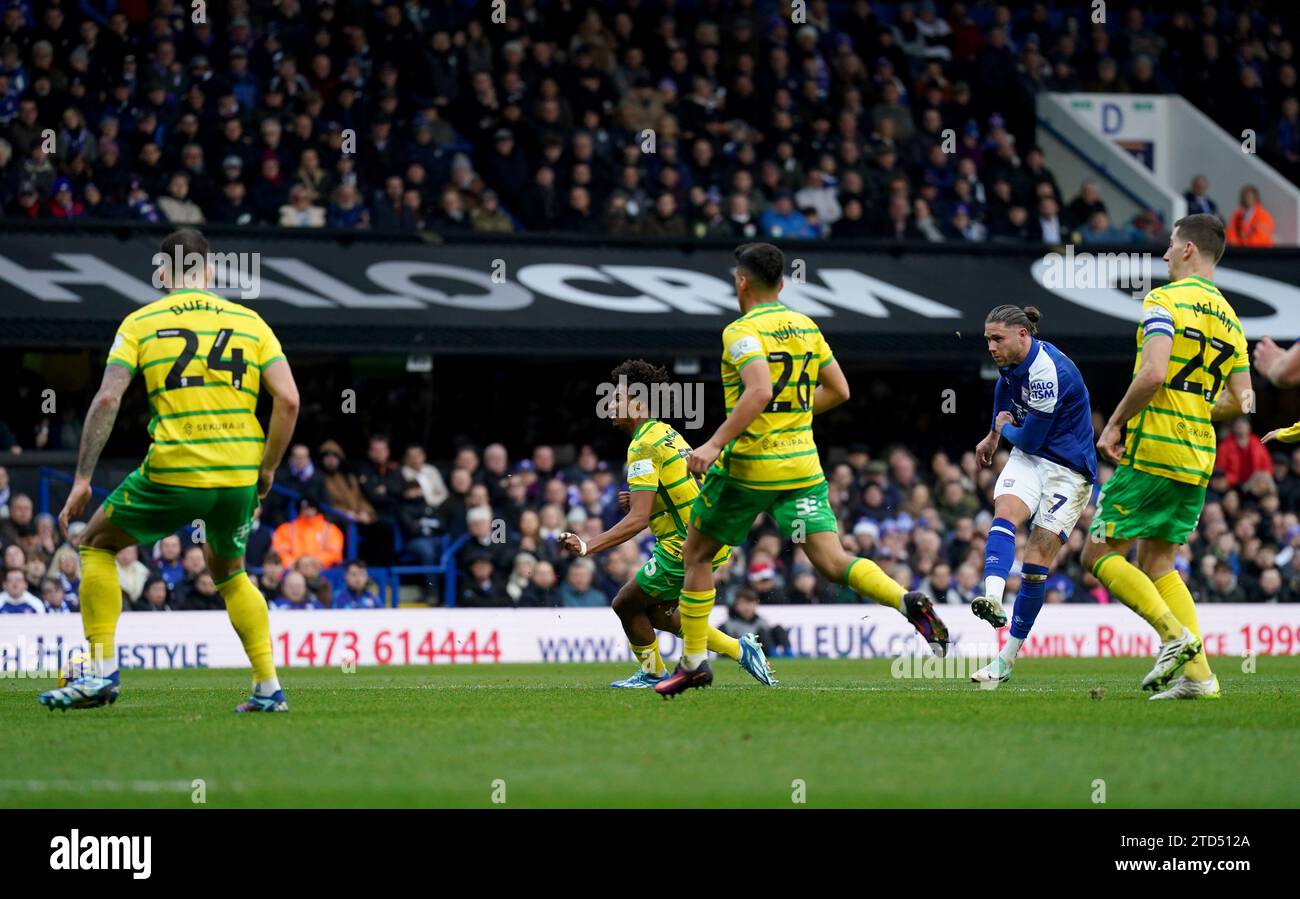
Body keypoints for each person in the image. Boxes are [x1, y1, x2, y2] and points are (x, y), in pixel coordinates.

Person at [659, 243, 948, 696]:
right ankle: (904, 600)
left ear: (741, 281)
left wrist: (714, 443)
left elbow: (758, 390)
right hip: (801, 467)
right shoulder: (806, 326)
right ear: (782, 282)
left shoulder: (740, 331)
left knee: (696, 556)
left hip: (749, 469)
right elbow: (841, 390)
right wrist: (793, 419)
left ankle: (695, 661)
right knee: (833, 562)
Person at [42, 228, 299, 713]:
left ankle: (98, 672)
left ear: (164, 273)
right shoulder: (251, 322)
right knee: (230, 574)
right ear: (210, 271)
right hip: (240, 476)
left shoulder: (140, 322)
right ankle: (268, 687)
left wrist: (81, 479)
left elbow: (107, 398)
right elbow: (288, 399)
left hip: (176, 471)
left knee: (95, 544)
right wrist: (267, 469)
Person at [1082, 214, 1252, 700]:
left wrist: (1113, 423)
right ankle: (1200, 678)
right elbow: (1243, 401)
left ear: (1188, 251)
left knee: (1097, 552)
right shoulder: (1231, 318)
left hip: (1155, 447)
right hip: (1199, 455)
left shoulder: (1163, 300)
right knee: (1159, 562)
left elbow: (1153, 373)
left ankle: (1173, 636)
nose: (1163, 254)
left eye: (1169, 245)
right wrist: (1197, 406)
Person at [559, 358, 775, 688]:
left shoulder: (643, 445)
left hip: (683, 546)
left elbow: (637, 521)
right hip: (707, 537)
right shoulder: (666, 433)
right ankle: (739, 649)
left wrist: (589, 545)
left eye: (617, 399)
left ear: (638, 402)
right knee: (659, 614)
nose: (611, 405)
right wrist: (648, 498)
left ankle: (653, 672)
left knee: (625, 604)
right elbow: (685, 484)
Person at [969, 305, 1097, 684]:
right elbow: (1003, 387)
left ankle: (1006, 659)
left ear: (1023, 335)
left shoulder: (1048, 373)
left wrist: (1005, 431)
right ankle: (992, 597)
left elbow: (1029, 436)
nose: (991, 347)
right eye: (988, 339)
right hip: (1030, 459)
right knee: (1004, 512)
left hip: (1068, 471)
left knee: (1035, 559)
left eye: (997, 339)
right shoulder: (1012, 361)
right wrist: (994, 433)